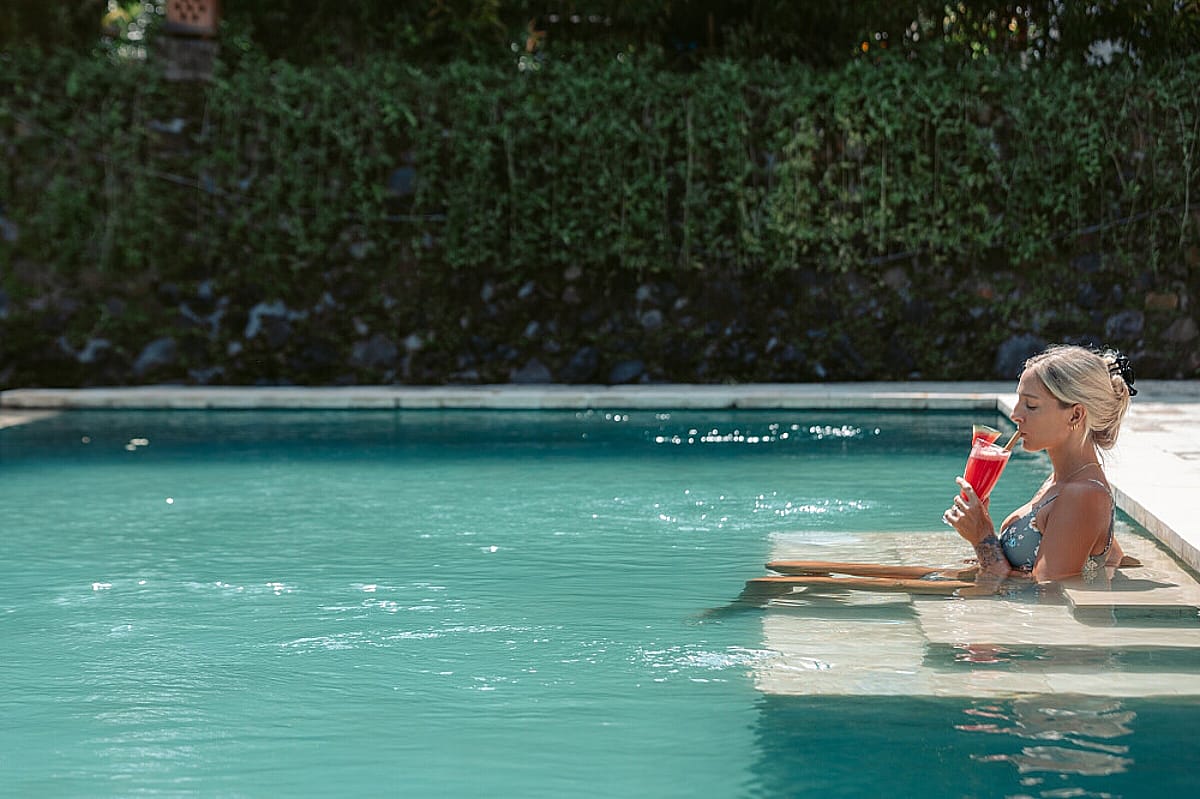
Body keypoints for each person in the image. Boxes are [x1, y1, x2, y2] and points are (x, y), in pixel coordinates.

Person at [943, 344, 1137, 587]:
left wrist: (983, 538)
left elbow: (1047, 595)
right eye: (1019, 401)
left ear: (1075, 415)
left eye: (1031, 405)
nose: (1015, 414)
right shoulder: (1061, 482)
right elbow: (1109, 556)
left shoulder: (1083, 494)